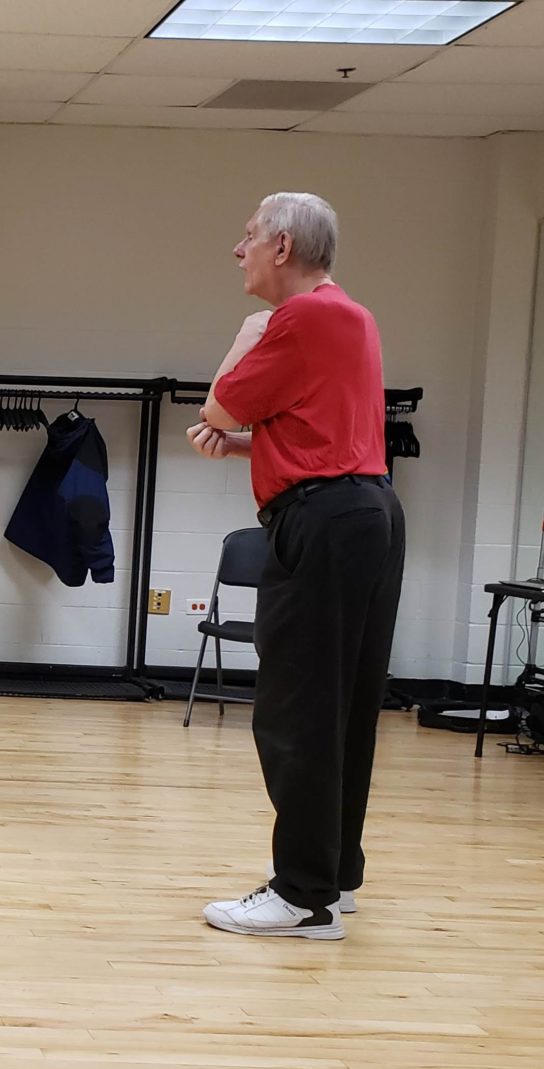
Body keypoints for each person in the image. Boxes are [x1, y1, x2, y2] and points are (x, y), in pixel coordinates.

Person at [187, 192, 405, 941]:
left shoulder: (297, 317)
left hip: (323, 522)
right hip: (364, 510)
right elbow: (328, 430)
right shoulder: (353, 315)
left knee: (296, 711)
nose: (236, 250)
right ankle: (335, 877)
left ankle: (301, 895)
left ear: (282, 247)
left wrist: (248, 335)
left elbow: (219, 405)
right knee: (342, 707)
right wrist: (258, 447)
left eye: (247, 237)